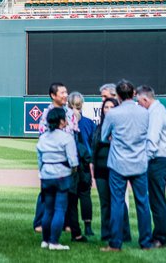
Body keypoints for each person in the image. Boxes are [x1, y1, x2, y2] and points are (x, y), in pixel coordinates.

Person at [100, 80, 154, 252]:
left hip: (118, 163)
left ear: (118, 96)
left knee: (117, 203)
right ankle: (146, 242)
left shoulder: (113, 114)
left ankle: (115, 243)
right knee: (143, 203)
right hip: (139, 162)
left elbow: (103, 137)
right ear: (133, 94)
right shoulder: (144, 112)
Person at [33, 82, 75, 233]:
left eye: (66, 92)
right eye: (62, 93)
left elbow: (74, 132)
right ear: (53, 95)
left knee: (68, 193)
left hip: (66, 159)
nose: (65, 95)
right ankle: (39, 223)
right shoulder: (47, 113)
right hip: (53, 158)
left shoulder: (69, 112)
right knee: (46, 194)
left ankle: (66, 223)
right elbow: (43, 136)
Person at [137, 85, 166, 249]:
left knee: (157, 199)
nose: (139, 105)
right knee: (156, 199)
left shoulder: (156, 113)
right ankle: (159, 235)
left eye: (139, 101)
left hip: (158, 160)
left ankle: (160, 237)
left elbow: (152, 140)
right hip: (161, 159)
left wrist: (144, 160)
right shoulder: (158, 110)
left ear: (145, 99)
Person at [36, 106, 77, 251]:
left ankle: (45, 241)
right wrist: (72, 171)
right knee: (59, 209)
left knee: (48, 210)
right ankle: (54, 242)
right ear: (61, 121)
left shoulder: (43, 137)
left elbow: (40, 160)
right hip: (62, 175)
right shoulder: (67, 138)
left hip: (46, 175)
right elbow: (73, 161)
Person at [92, 98, 130, 245]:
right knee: (105, 203)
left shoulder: (120, 127)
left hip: (117, 168)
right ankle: (106, 234)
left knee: (119, 201)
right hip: (101, 169)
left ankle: (124, 233)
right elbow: (94, 148)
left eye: (111, 107)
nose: (108, 109)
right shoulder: (99, 127)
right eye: (106, 107)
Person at [66, 91, 94, 240]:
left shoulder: (66, 121)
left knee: (71, 197)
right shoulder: (89, 122)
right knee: (85, 194)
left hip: (70, 163)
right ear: (81, 104)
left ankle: (72, 227)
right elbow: (93, 143)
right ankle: (88, 227)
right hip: (85, 163)